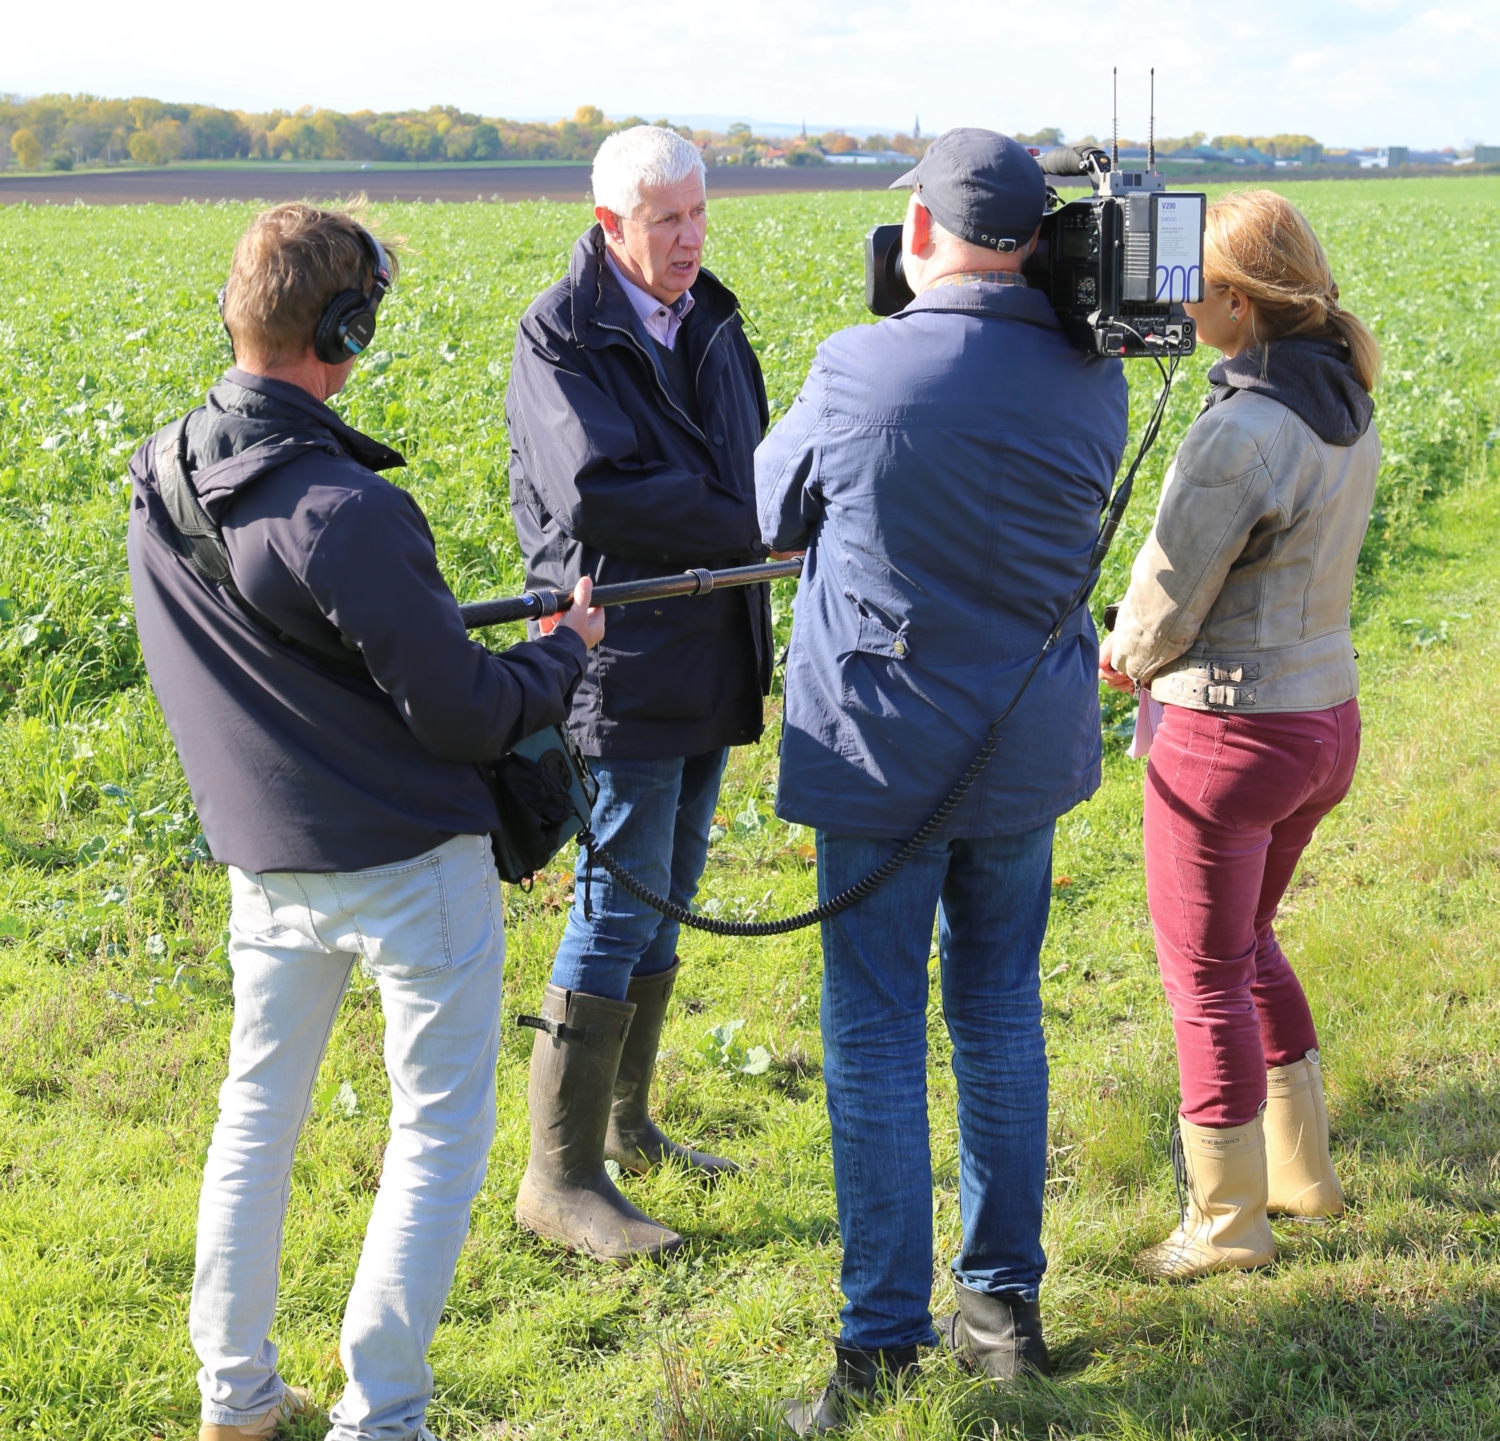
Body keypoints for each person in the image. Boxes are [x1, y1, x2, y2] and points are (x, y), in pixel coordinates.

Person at [127, 202, 603, 1441]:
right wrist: (562, 655)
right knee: (437, 1130)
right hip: (405, 866)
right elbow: (466, 716)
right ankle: (380, 1416)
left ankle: (233, 1397)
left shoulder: (163, 474)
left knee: (255, 1118)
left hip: (263, 861)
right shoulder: (346, 508)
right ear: (348, 326)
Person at [756, 130, 1128, 1433]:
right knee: (1001, 1015)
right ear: (1036, 239)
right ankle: (1000, 1312)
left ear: (920, 229)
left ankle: (878, 1341)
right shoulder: (1098, 377)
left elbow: (769, 503)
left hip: (878, 756)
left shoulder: (861, 364)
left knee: (871, 1034)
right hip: (1021, 746)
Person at [1100, 189, 1381, 1279]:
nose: (1176, 307)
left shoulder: (1240, 429)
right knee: (1251, 944)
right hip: (1324, 720)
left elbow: (1166, 601)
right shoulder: (1341, 395)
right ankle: (1303, 1173)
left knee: (1204, 972)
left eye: (1192, 290)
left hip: (1228, 734)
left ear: (1233, 300)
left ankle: (1224, 1224)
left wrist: (1119, 657)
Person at [504, 125, 772, 1260]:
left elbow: (755, 451)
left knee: (669, 889)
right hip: (618, 657)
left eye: (699, 213)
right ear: (610, 221)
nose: (689, 238)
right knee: (617, 901)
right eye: (666, 220)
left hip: (712, 643)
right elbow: (606, 492)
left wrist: (767, 510)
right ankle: (559, 1178)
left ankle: (628, 1123)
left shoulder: (713, 313)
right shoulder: (559, 332)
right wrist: (756, 524)